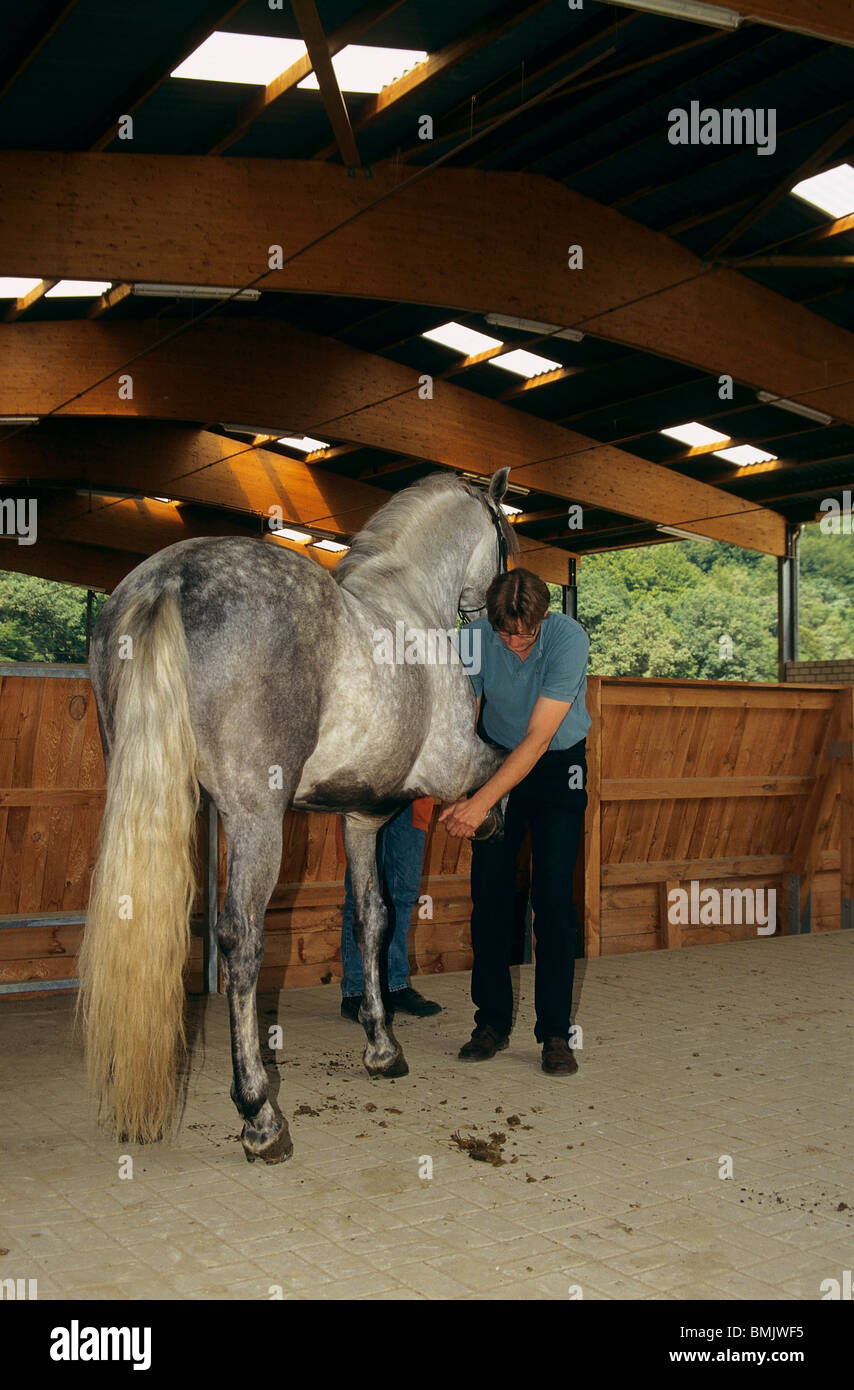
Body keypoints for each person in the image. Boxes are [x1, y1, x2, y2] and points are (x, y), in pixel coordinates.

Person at [440, 568, 589, 1075]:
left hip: (556, 763)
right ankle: (491, 1023)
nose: (516, 644)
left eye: (525, 635)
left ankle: (554, 1033)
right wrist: (461, 784)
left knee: (552, 900)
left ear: (543, 620)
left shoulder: (568, 639)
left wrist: (481, 802)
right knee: (491, 896)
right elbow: (466, 714)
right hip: (495, 756)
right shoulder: (476, 637)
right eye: (506, 634)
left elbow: (539, 739)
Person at [337, 797, 442, 1020]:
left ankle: (395, 984)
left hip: (412, 798)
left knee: (403, 893)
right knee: (361, 894)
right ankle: (356, 989)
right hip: (367, 795)